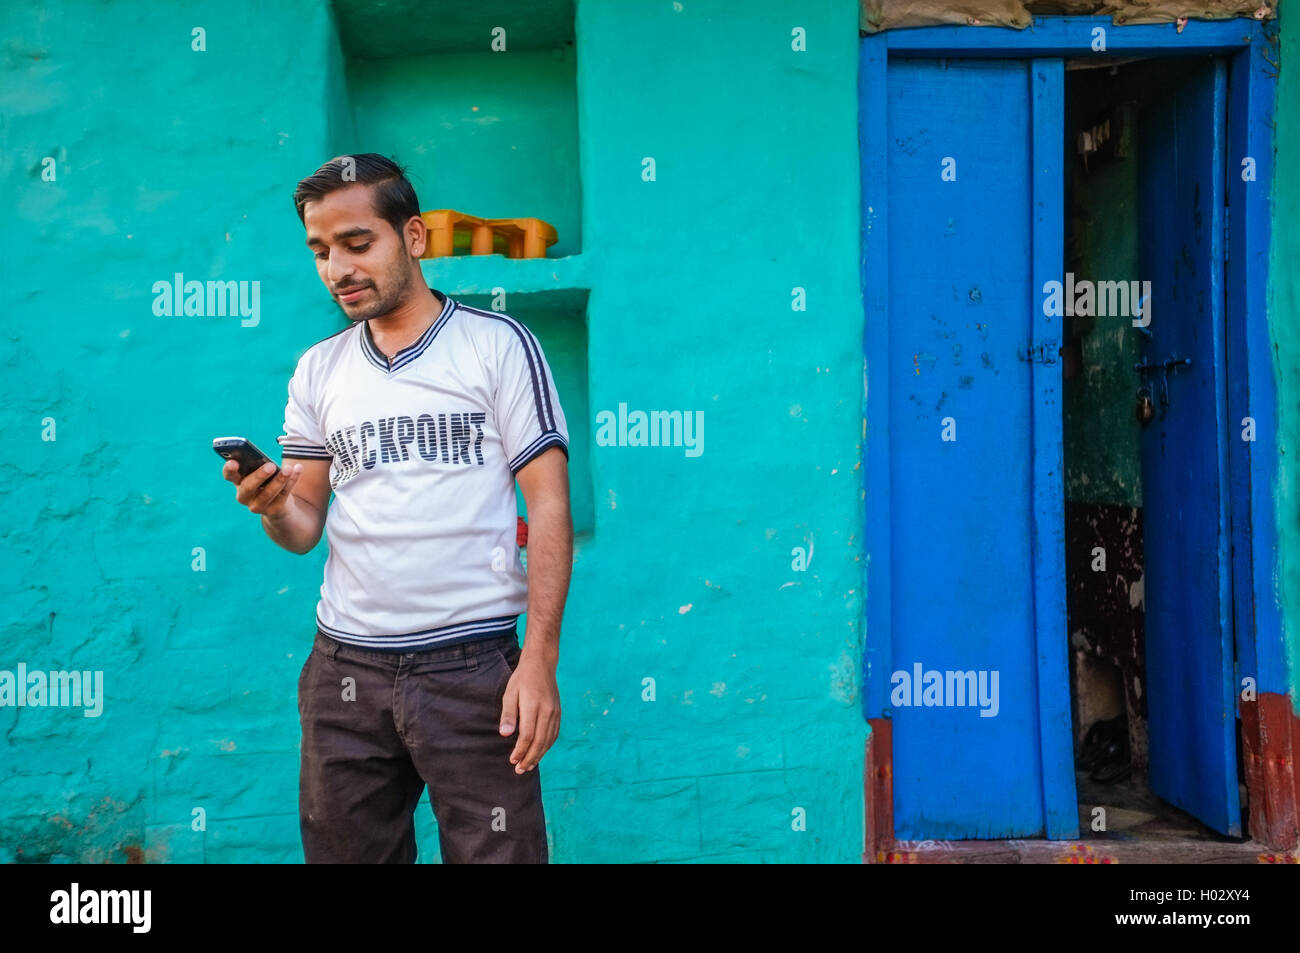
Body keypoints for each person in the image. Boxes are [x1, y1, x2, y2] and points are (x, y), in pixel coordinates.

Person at [220, 153, 572, 863]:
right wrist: (270, 506)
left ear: (412, 238)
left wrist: (538, 662)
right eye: (320, 251)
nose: (337, 268)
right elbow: (303, 526)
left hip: (472, 670)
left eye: (357, 244)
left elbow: (550, 507)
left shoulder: (497, 346)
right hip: (344, 671)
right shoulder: (319, 370)